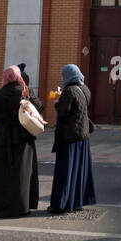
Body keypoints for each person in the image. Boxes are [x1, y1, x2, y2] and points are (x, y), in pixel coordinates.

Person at [0, 65, 40, 218]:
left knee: (2, 173)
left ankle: (0, 207)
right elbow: (39, 108)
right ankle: (21, 207)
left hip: (3, 138)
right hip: (22, 137)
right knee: (21, 173)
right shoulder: (25, 92)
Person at [49, 63, 96, 215]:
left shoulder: (69, 90)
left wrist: (56, 102)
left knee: (65, 170)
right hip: (83, 135)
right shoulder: (85, 89)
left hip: (68, 136)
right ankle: (77, 202)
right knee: (79, 170)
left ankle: (61, 204)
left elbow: (63, 111)